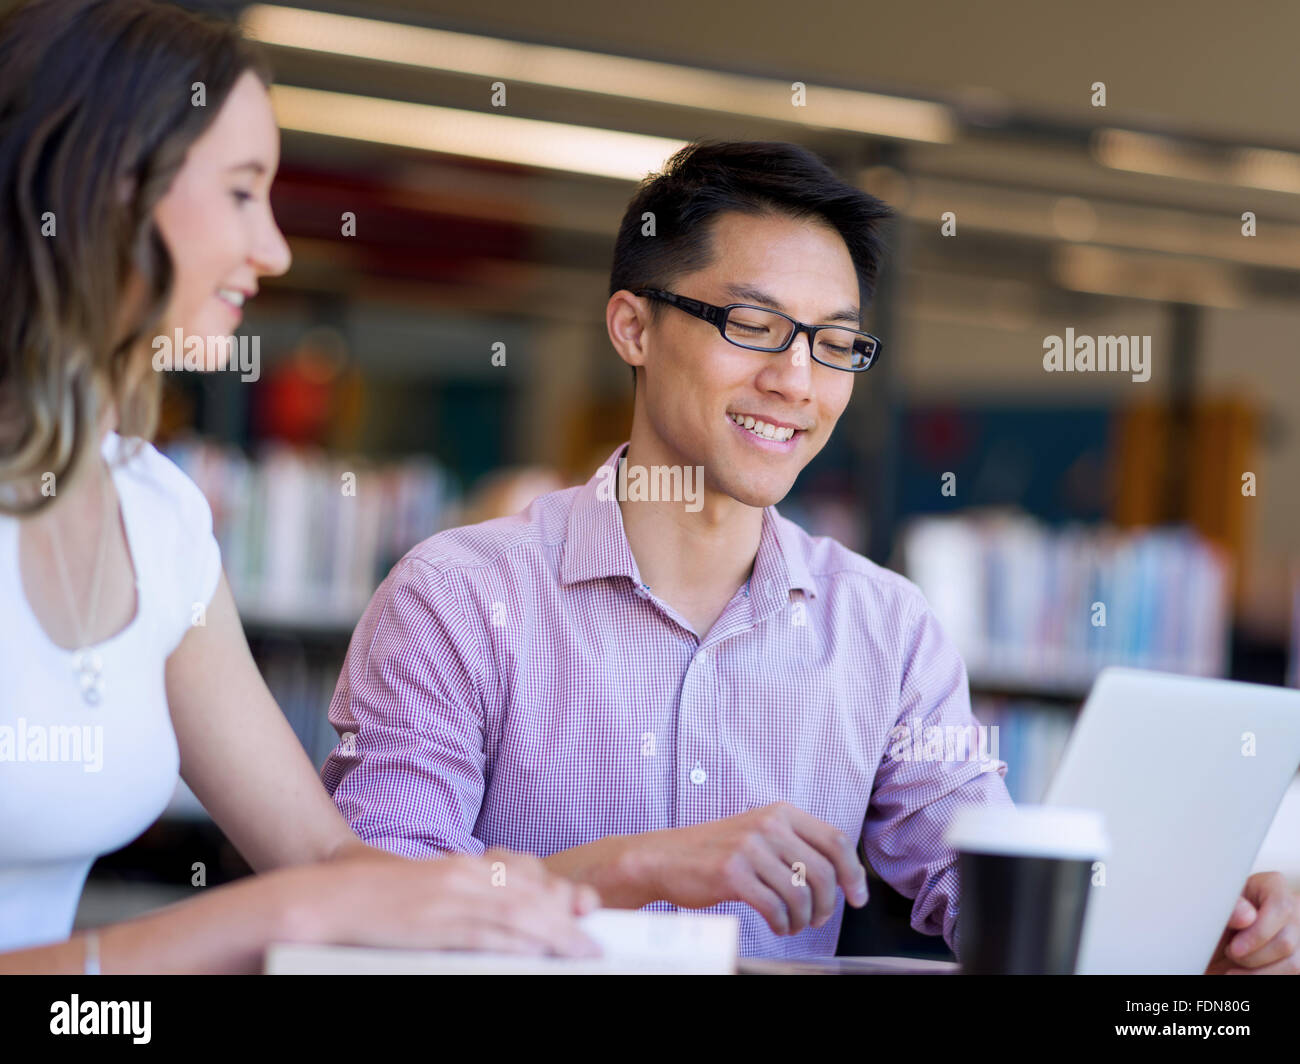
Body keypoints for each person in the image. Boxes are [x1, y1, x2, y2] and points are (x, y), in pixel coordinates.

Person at [322, 140, 1300, 970]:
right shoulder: (457, 596)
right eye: (752, 325)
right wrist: (629, 866)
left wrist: (1176, 926)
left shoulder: (883, 627)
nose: (796, 380)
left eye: (835, 344)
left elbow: (972, 880)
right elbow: (373, 898)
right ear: (633, 325)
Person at [0, 0, 598, 974]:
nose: (274, 250)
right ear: (105, 189)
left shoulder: (158, 516)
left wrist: (571, 893)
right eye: (242, 193)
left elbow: (326, 859)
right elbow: (308, 894)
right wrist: (254, 918)